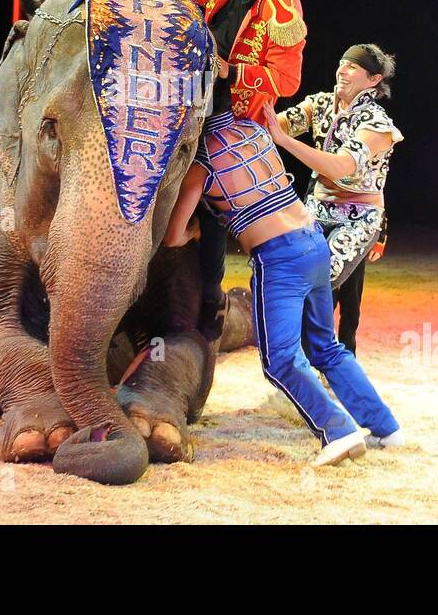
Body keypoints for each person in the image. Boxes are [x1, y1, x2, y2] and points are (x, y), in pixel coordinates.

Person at [164, 109, 402, 466]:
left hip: (279, 258)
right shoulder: (253, 132)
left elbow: (171, 237)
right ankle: (386, 427)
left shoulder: (202, 163)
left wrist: (196, 230)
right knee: (326, 347)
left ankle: (338, 431)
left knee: (280, 360)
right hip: (313, 242)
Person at [166, 0, 306, 341]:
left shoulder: (284, 15)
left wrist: (234, 71)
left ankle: (211, 296)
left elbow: (288, 80)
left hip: (234, 117)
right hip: (190, 99)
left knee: (211, 210)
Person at [266, 45, 403, 352]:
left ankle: (335, 352)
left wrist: (283, 140)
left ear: (373, 79)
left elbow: (340, 167)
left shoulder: (377, 125)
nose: (342, 70)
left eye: (352, 67)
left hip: (358, 218)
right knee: (296, 274)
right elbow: (273, 123)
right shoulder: (320, 104)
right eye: (341, 63)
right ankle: (309, 355)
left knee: (329, 281)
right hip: (316, 209)